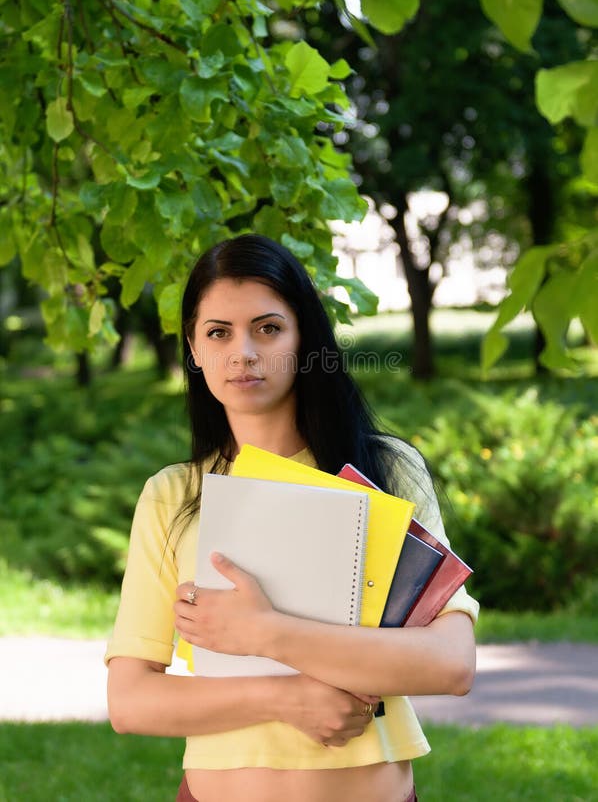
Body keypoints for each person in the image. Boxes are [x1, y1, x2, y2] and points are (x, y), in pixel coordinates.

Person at [105, 233, 478, 802]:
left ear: (304, 339)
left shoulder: (385, 469)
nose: (243, 353)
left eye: (268, 328)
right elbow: (130, 701)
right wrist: (285, 698)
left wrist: (265, 632)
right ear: (194, 349)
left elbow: (452, 664)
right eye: (218, 332)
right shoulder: (174, 495)